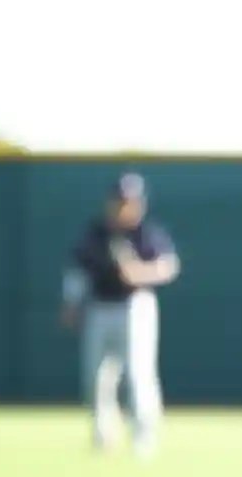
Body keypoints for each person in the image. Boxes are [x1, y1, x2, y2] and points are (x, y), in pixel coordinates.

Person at [61, 172, 179, 457]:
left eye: (130, 201)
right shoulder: (97, 233)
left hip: (135, 306)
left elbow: (168, 266)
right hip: (100, 307)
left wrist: (140, 272)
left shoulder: (147, 233)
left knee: (139, 374)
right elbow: (78, 271)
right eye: (120, 201)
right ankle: (103, 438)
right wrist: (71, 304)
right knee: (96, 377)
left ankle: (144, 438)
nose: (125, 206)